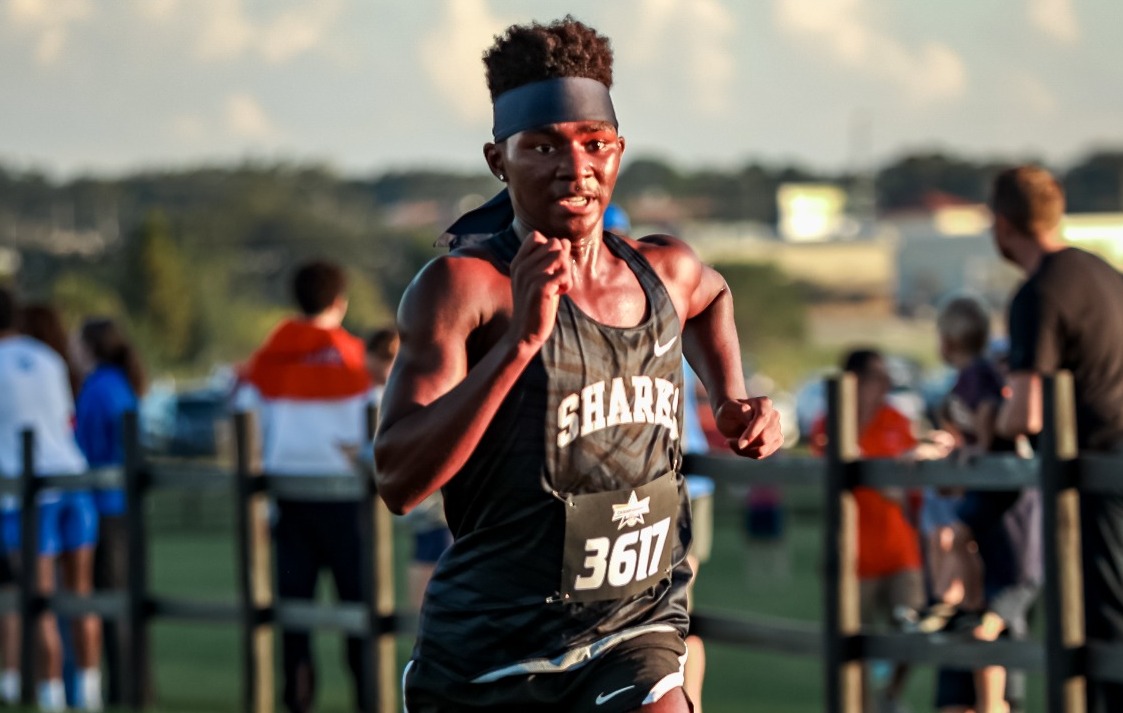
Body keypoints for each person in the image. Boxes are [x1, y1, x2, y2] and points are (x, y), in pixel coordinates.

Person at [373, 16, 782, 713]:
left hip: (635, 628)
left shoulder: (664, 270)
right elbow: (398, 480)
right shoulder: (465, 288)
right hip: (489, 653)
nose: (576, 167)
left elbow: (712, 297)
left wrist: (729, 397)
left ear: (619, 149)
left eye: (596, 144)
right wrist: (518, 345)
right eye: (543, 146)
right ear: (498, 160)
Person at [988, 165, 1123, 713]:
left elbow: (1026, 414)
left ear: (1002, 223)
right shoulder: (1106, 274)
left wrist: (985, 419)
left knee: (1098, 626)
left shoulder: (1038, 292)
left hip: (1094, 473)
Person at [235, 261, 372, 713]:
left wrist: (258, 511)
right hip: (348, 504)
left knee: (293, 620)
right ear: (340, 302)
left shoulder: (269, 357)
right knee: (361, 615)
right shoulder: (357, 358)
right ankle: (369, 699)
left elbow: (247, 431)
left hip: (288, 502)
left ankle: (297, 702)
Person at [925, 294, 1041, 713]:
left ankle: (955, 601)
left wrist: (980, 451)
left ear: (948, 341)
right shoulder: (970, 376)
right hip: (991, 482)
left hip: (998, 479)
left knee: (959, 534)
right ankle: (958, 601)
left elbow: (989, 412)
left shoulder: (974, 374)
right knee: (957, 537)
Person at [809, 348, 931, 712]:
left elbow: (911, 486)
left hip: (899, 552)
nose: (887, 384)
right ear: (855, 381)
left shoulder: (898, 421)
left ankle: (890, 694)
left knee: (914, 629)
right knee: (851, 648)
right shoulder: (828, 423)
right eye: (878, 376)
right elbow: (825, 477)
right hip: (853, 557)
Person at [0, 287, 100, 712]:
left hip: (29, 494)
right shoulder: (48, 357)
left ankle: (51, 694)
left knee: (39, 601)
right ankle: (91, 694)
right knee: (81, 595)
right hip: (73, 479)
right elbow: (63, 420)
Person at [74, 317, 149, 706]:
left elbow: (87, 446)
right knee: (126, 599)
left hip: (104, 507)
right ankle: (134, 688)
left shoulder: (99, 387)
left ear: (91, 347)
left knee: (111, 600)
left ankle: (122, 690)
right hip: (125, 506)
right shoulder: (120, 384)